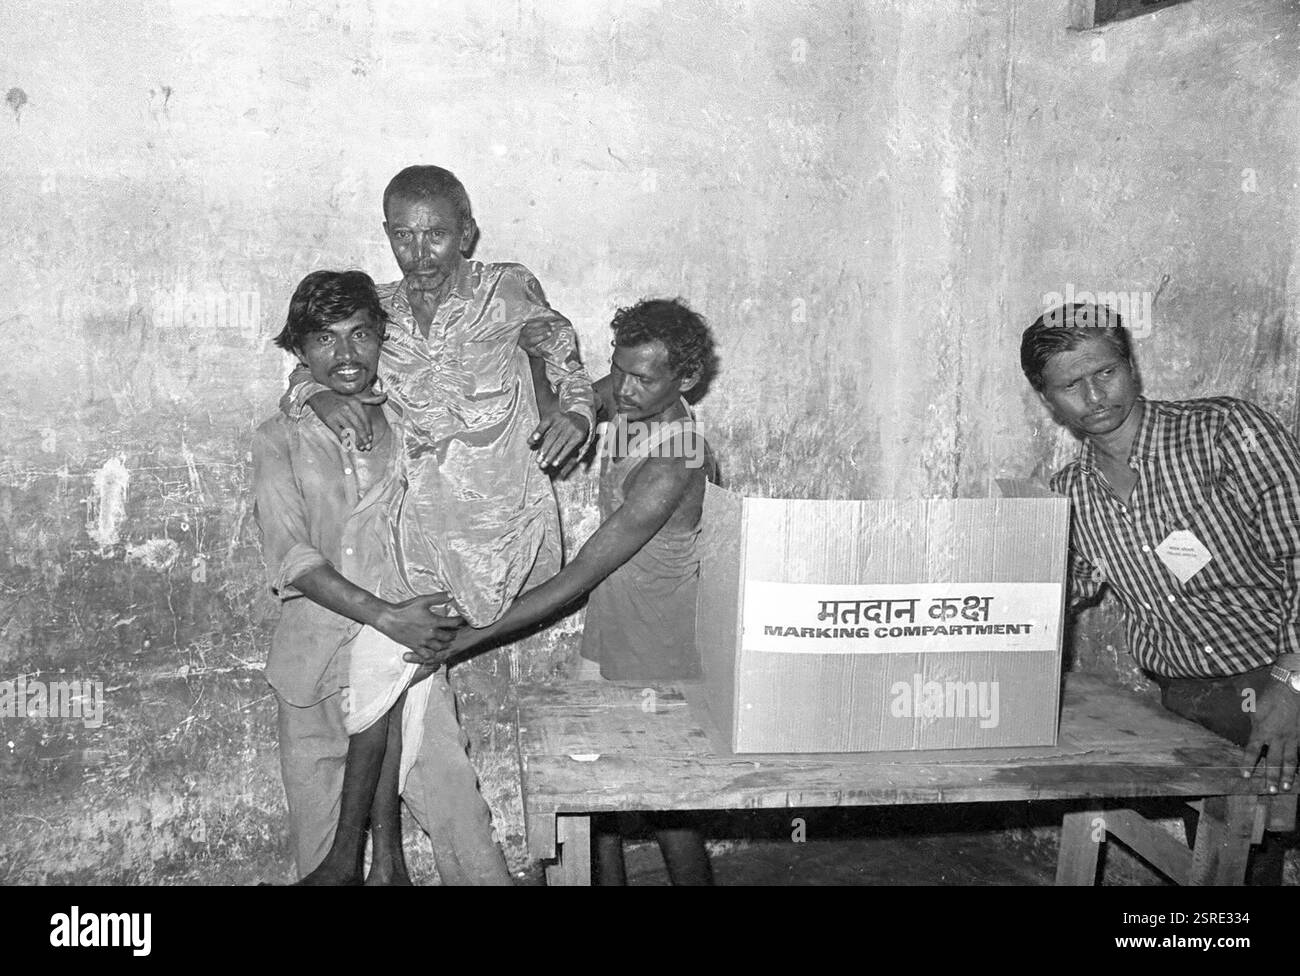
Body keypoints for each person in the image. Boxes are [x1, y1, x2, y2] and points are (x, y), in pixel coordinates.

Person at [409, 297, 720, 885]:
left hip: (664, 650)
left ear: (687, 379)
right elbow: (570, 407)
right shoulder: (637, 397)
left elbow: (579, 575)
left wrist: (472, 637)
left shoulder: (676, 462)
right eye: (620, 368)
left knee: (671, 813)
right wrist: (533, 357)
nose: (623, 388)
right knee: (594, 798)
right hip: (612, 630)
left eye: (641, 378)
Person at [1020, 302, 1300, 883]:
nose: (1095, 396)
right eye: (1071, 385)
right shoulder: (1070, 492)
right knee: (1238, 866)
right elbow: (1053, 592)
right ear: (1047, 400)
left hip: (1280, 681)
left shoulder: (1226, 433)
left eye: (1106, 372)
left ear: (1131, 365)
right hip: (1191, 706)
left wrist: (1292, 679)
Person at [254, 270, 507, 885]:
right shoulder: (278, 439)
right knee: (322, 856)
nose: (345, 355)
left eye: (360, 334)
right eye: (323, 340)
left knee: (464, 830)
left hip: (407, 658)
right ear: (301, 351)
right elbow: (294, 557)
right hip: (314, 661)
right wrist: (383, 614)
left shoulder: (417, 422)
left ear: (380, 338)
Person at [280, 164, 595, 628]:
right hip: (413, 540)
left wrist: (578, 416)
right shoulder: (377, 310)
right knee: (406, 671)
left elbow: (563, 359)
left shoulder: (505, 288)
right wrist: (315, 395)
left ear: (466, 233)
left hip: (507, 532)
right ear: (387, 233)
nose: (420, 254)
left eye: (437, 235)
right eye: (404, 236)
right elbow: (310, 363)